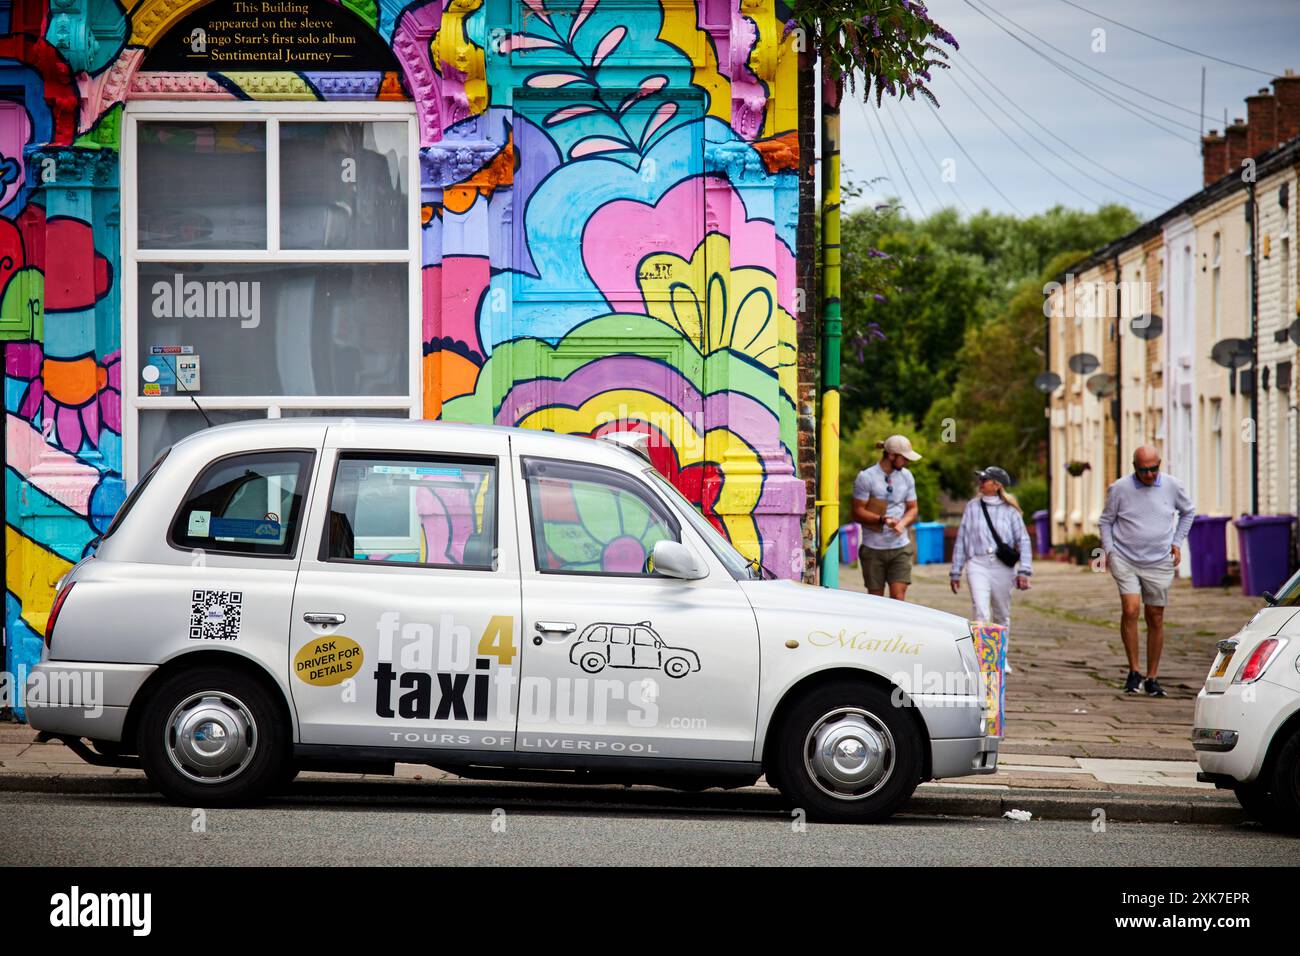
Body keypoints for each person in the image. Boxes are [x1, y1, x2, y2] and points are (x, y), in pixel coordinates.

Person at [1098, 445, 1196, 698]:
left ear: (1159, 464)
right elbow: (1106, 521)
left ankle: (1152, 676)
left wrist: (1177, 542)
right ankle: (1134, 671)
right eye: (1144, 470)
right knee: (1130, 609)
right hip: (1125, 558)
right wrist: (1109, 551)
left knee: (1155, 616)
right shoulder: (1120, 489)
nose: (1150, 474)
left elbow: (1188, 512)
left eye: (1154, 469)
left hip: (1159, 560)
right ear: (1135, 468)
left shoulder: (1172, 486)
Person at [950, 467, 1033, 672]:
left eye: (985, 479)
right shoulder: (972, 507)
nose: (981, 482)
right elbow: (962, 538)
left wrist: (1024, 571)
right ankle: (983, 658)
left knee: (1001, 613)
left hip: (1002, 567)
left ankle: (1000, 657)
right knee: (980, 610)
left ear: (997, 485)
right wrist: (956, 570)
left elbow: (1023, 540)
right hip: (977, 563)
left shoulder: (1010, 511)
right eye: (980, 479)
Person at [852, 434, 921, 600]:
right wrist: (883, 520)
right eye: (904, 458)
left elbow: (913, 508)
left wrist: (902, 523)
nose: (907, 462)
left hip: (900, 546)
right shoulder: (866, 477)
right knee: (877, 599)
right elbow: (857, 511)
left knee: (898, 597)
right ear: (891, 455)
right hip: (873, 547)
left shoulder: (907, 476)